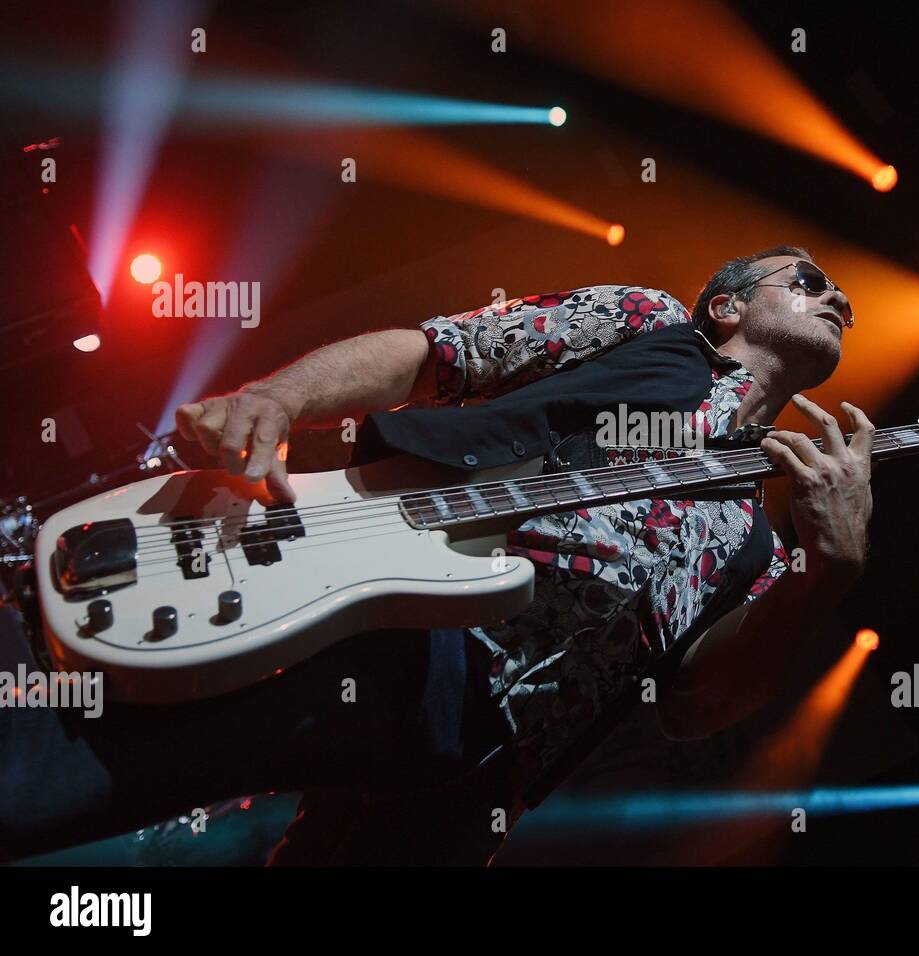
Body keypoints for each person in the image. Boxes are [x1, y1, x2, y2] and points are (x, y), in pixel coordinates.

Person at [0, 246, 874, 865]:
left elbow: (692, 708)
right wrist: (272, 395)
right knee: (111, 752)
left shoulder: (761, 540)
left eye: (844, 296)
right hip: (398, 599)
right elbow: (437, 355)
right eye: (810, 281)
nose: (836, 297)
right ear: (727, 306)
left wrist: (826, 572)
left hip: (484, 771)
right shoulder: (644, 323)